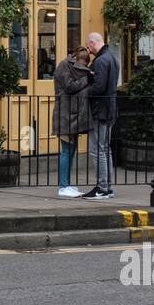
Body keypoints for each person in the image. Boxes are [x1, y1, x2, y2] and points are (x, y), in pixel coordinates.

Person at [52, 46, 93, 198]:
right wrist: (86, 79)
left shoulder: (77, 69)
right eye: (82, 65)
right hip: (64, 115)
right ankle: (63, 186)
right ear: (76, 59)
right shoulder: (64, 65)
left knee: (71, 151)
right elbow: (69, 87)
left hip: (74, 115)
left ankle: (67, 184)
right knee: (66, 151)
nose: (83, 68)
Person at [85, 31, 119, 200]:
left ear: (93, 43)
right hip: (111, 109)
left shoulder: (100, 61)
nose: (87, 48)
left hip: (100, 111)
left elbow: (98, 87)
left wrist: (84, 92)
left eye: (88, 45)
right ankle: (108, 187)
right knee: (106, 149)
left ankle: (102, 188)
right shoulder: (112, 58)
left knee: (97, 150)